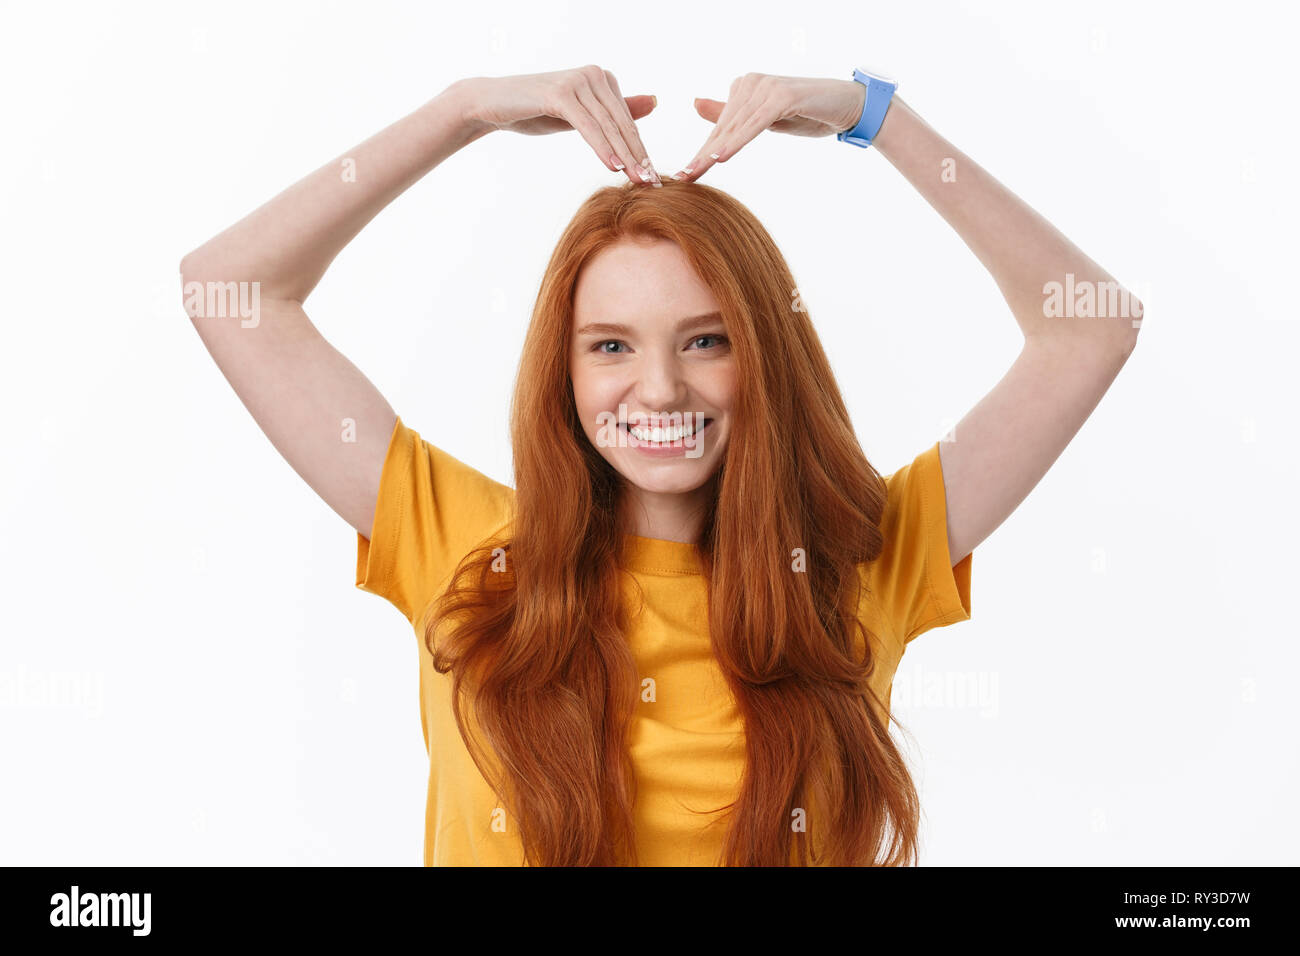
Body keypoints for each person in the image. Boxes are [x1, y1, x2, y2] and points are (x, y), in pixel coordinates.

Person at [180, 66, 1142, 866]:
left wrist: (873, 117)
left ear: (766, 353)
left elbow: (1089, 327)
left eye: (706, 341)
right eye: (609, 347)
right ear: (561, 371)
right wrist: (462, 112)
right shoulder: (468, 549)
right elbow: (230, 290)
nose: (660, 391)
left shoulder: (860, 563)